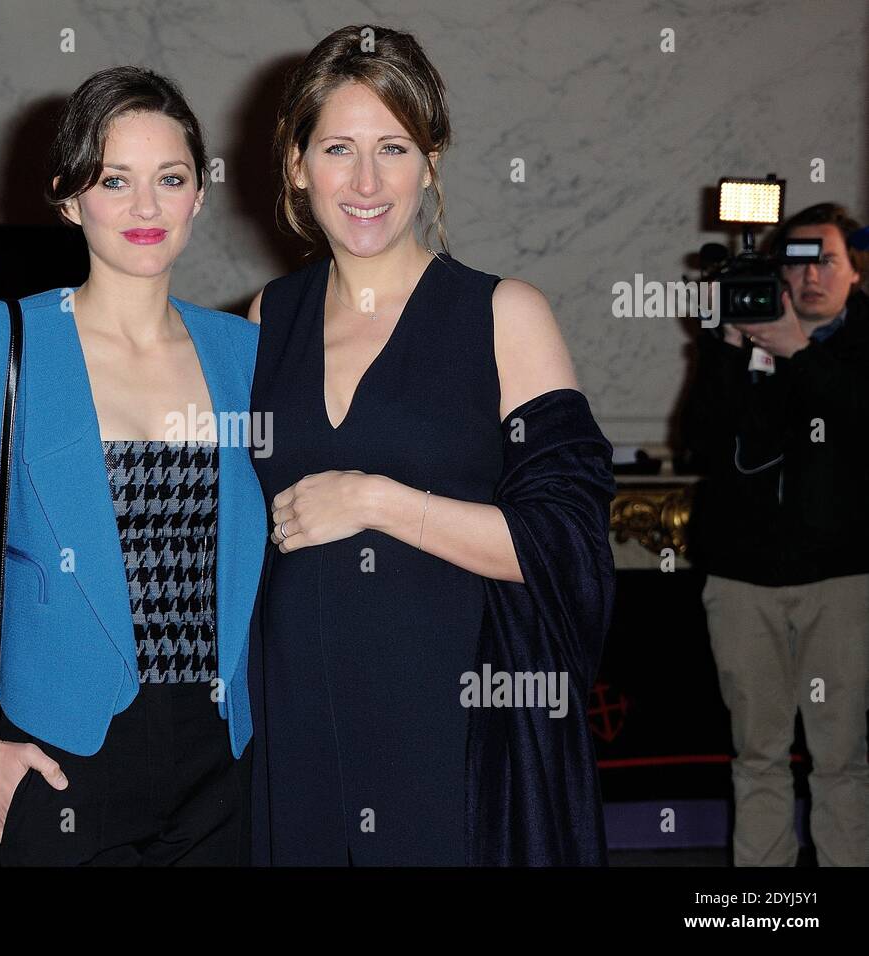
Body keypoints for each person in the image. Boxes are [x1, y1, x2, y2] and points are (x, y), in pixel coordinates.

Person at [245, 24, 617, 865]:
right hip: (295, 726)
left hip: (452, 738)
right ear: (298, 163)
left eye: (396, 147)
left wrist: (378, 501)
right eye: (339, 148)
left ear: (431, 160)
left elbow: (571, 547)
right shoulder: (269, 318)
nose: (367, 181)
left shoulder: (502, 314)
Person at [0, 66, 267, 866]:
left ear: (199, 194)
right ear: (69, 197)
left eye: (170, 179)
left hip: (224, 770)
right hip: (61, 767)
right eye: (114, 180)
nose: (145, 207)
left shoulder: (246, 355)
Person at [682, 202, 869, 866]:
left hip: (843, 580)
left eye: (829, 260)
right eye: (797, 263)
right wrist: (731, 343)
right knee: (757, 753)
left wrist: (797, 352)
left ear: (855, 272)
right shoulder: (743, 346)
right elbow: (699, 444)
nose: (812, 275)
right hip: (743, 581)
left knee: (842, 754)